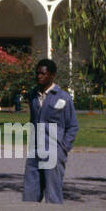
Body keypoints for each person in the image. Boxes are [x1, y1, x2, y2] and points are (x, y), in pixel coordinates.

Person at [22, 59, 78, 203]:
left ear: (52, 75)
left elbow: (72, 126)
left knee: (53, 193)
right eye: (37, 73)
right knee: (30, 191)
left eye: (43, 73)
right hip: (35, 150)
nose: (39, 76)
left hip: (54, 150)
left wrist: (63, 148)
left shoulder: (63, 97)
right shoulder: (33, 95)